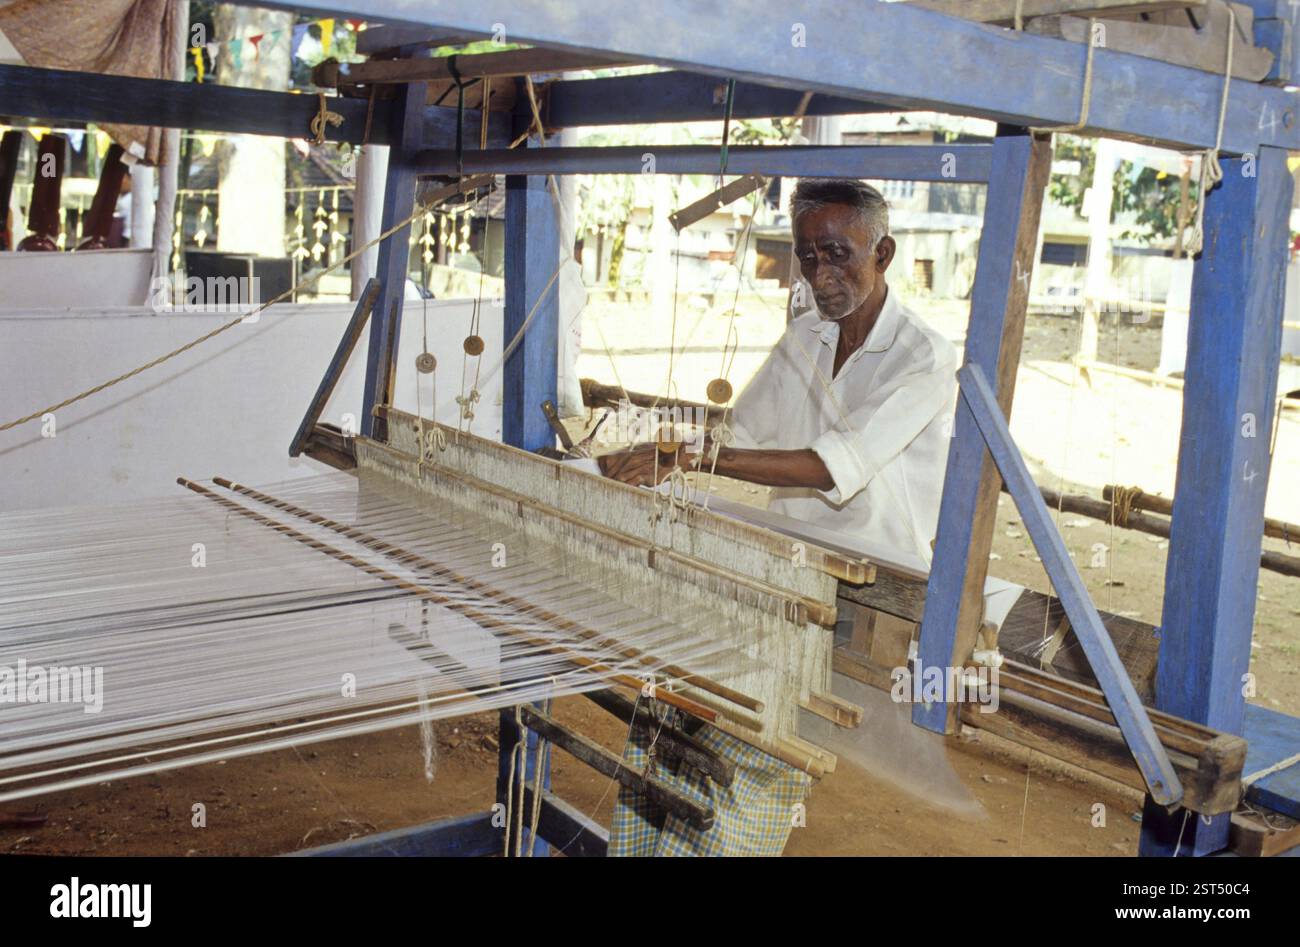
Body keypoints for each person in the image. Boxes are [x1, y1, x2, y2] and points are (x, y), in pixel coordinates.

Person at [598, 178, 959, 855]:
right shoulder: (808, 336)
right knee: (669, 704)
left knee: (749, 747)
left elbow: (833, 466)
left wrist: (692, 457)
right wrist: (661, 447)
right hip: (783, 567)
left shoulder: (924, 358)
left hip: (864, 588)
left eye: (836, 253)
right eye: (806, 257)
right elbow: (746, 434)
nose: (820, 274)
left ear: (883, 251)